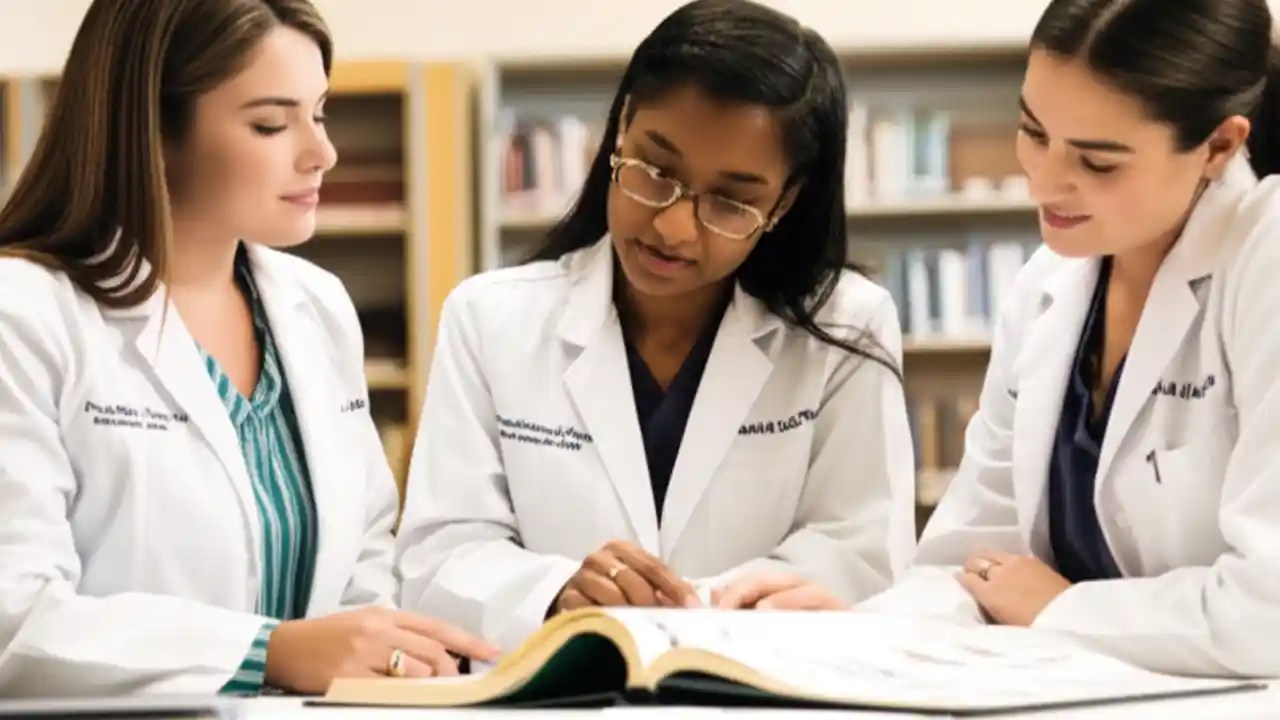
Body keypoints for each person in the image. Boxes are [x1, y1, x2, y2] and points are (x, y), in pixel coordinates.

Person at [712, 0, 1280, 678]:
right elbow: (973, 562)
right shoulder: (1048, 285)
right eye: (1033, 132)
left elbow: (1265, 613)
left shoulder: (1263, 260)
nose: (1043, 179)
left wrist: (1060, 608)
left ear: (1218, 147)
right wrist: (861, 632)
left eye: (1097, 162)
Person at [0, 0, 497, 698]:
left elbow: (364, 558)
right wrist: (270, 652)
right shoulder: (23, 314)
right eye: (271, 124)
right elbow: (16, 619)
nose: (322, 152)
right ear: (152, 131)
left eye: (319, 114)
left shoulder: (317, 306)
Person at [394, 0, 916, 651]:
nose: (672, 228)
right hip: (562, 681)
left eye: (731, 201)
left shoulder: (848, 328)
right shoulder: (489, 319)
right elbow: (438, 556)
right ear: (620, 130)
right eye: (656, 171)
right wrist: (558, 592)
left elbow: (861, 549)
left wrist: (706, 609)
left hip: (763, 678)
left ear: (784, 202)